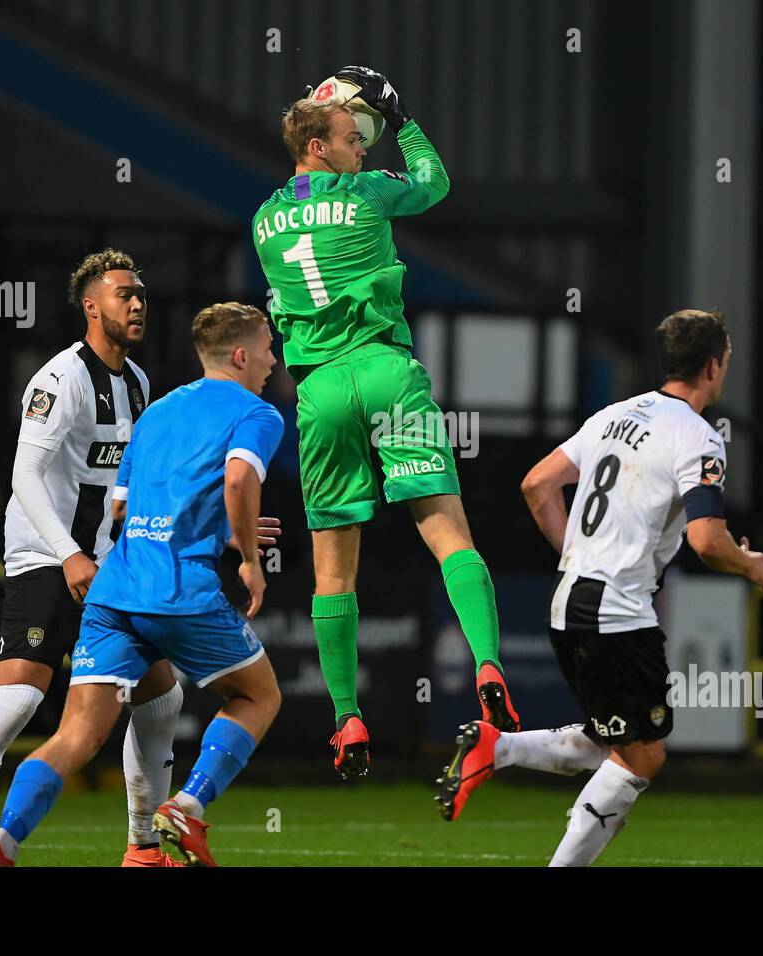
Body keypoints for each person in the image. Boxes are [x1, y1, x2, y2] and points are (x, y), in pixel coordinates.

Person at [436, 310, 763, 866]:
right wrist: (747, 564)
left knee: (612, 741)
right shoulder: (700, 439)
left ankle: (496, 747)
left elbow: (537, 484)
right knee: (643, 756)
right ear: (713, 366)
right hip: (617, 612)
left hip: (571, 599)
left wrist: (579, 554)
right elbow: (706, 541)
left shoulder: (614, 415)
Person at [252, 65, 519, 780]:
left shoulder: (264, 221)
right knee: (447, 533)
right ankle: (490, 665)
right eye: (352, 136)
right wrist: (403, 119)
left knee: (333, 573)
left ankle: (345, 715)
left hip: (319, 392)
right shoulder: (366, 193)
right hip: (383, 369)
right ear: (315, 142)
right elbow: (433, 182)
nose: (364, 148)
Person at [0, 302, 284, 867]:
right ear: (240, 355)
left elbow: (120, 507)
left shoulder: (159, 411)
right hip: (179, 589)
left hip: (116, 591)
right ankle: (187, 805)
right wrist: (247, 559)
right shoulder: (258, 414)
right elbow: (238, 478)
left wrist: (224, 526)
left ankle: (2, 843)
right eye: (267, 347)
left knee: (77, 736)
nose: (272, 359)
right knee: (259, 695)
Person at [0, 250, 188, 868]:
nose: (137, 303)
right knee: (18, 703)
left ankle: (143, 850)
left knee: (162, 695)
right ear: (91, 306)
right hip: (45, 557)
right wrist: (66, 555)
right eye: (124, 295)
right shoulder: (59, 380)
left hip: (107, 569)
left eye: (141, 293)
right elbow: (24, 476)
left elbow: (130, 483)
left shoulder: (139, 384)